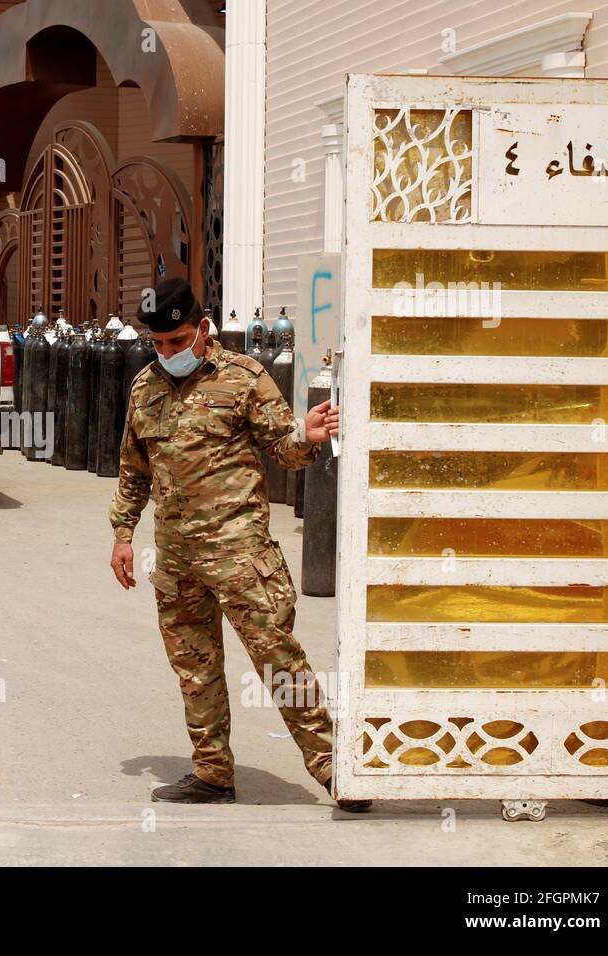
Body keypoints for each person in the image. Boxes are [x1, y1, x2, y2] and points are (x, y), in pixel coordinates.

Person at [109, 277, 369, 811]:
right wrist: (122, 533)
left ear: (203, 329)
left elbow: (282, 447)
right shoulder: (144, 389)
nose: (167, 354)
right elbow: (133, 468)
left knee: (279, 661)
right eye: (157, 345)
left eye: (177, 342)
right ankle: (212, 774)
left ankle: (335, 768)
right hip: (176, 558)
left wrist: (308, 436)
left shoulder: (245, 378)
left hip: (240, 555)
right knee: (194, 668)